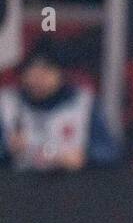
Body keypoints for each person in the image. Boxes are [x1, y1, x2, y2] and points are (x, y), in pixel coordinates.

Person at [0, 39, 119, 172]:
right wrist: (7, 150)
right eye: (32, 70)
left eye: (47, 71)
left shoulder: (83, 104)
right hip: (15, 187)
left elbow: (109, 152)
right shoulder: (6, 103)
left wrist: (86, 158)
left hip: (73, 187)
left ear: (62, 74)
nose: (38, 78)